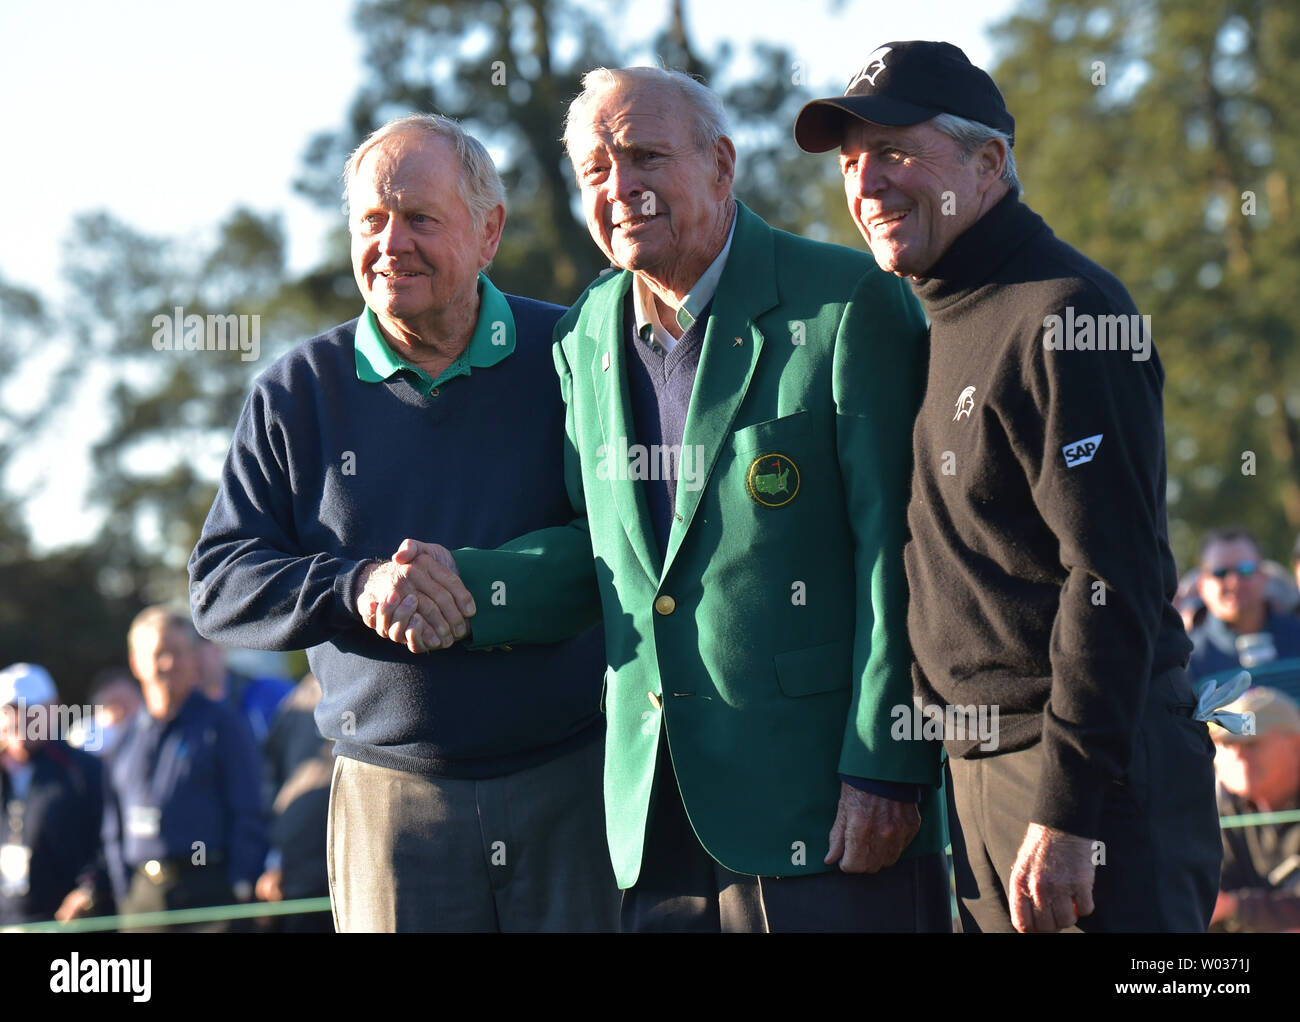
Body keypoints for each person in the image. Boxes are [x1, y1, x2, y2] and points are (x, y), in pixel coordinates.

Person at [379, 67, 950, 933]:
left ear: (722, 165)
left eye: (646, 156)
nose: (623, 189)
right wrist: (468, 587)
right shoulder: (585, 334)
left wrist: (889, 765)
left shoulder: (847, 303)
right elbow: (599, 557)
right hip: (653, 831)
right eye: (597, 172)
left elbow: (902, 553)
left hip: (827, 818)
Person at [793, 39, 1221, 932]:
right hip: (983, 772)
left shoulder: (1067, 314)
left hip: (1084, 778)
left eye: (897, 152)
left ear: (989, 162)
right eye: (852, 161)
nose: (867, 185)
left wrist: (1066, 807)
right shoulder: (936, 313)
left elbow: (1114, 577)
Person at [188, 113, 617, 933]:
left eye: (420, 218)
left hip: (571, 781)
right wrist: (357, 586)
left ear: (489, 232)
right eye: (371, 221)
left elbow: (623, 539)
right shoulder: (295, 390)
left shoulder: (569, 352)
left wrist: (477, 589)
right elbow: (218, 582)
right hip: (389, 799)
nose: (392, 243)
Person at [59, 607, 268, 931]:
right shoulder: (125, 738)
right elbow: (113, 825)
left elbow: (248, 811)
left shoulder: (224, 726)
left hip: (211, 898)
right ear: (135, 663)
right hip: (143, 901)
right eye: (158, 653)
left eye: (177, 653)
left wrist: (240, 884)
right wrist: (124, 888)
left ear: (194, 659)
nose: (168, 663)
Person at [0, 663, 105, 925]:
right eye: (9, 711)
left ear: (53, 708)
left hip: (65, 925)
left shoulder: (83, 771)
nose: (18, 720)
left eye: (29, 711)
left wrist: (88, 890)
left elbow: (107, 841)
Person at [1210, 686, 1300, 932]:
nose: (1237, 755)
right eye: (1225, 744)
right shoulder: (1220, 806)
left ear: (1296, 744)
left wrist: (1232, 908)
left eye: (1251, 743)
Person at [1188, 528, 1300, 681]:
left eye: (1245, 569)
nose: (1234, 582)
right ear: (1201, 585)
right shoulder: (1187, 659)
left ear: (1263, 576)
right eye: (1220, 573)